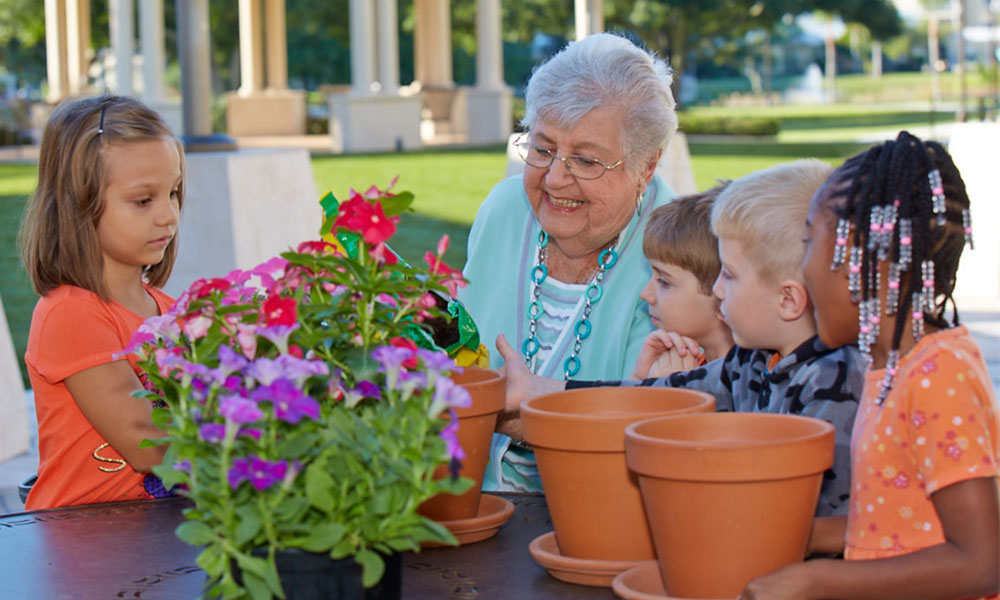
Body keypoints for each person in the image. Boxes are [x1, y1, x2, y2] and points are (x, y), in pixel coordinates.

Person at [498, 160, 865, 516]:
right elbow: (651, 400)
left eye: (730, 275)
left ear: (788, 300)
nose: (717, 291)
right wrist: (535, 389)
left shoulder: (834, 379)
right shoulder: (751, 362)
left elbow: (829, 520)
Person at [739, 134, 999, 599]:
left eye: (809, 242)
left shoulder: (938, 375)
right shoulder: (892, 369)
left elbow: (981, 563)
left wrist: (817, 581)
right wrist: (804, 535)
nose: (803, 267)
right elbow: (897, 525)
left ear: (860, 257)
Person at [459, 32, 679, 492]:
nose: (556, 178)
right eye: (542, 150)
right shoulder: (504, 209)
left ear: (647, 165)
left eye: (586, 160)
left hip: (601, 507)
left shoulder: (677, 251)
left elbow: (655, 424)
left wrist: (502, 410)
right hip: (468, 495)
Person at [21, 96, 183, 509]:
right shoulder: (71, 314)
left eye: (173, 192)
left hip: (155, 531)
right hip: (80, 538)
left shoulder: (171, 310)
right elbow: (149, 445)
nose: (168, 215)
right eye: (143, 200)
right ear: (79, 206)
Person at [630, 184, 735, 379]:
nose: (645, 294)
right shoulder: (688, 366)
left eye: (664, 281)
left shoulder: (748, 386)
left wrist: (667, 392)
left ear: (722, 294)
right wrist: (639, 379)